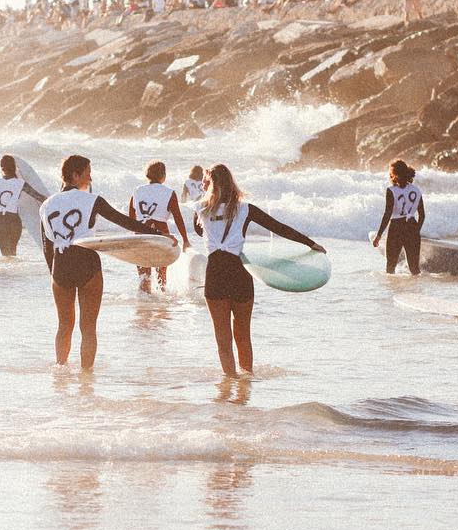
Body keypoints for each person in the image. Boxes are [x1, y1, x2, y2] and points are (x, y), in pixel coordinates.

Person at [195, 164, 324, 376]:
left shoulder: (200, 210)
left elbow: (199, 232)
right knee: (243, 336)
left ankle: (231, 382)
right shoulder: (245, 209)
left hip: (215, 276)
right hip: (240, 275)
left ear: (210, 184)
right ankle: (246, 384)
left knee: (223, 339)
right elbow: (278, 227)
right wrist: (310, 244)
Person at [39, 154, 154, 368]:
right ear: (75, 175)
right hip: (86, 263)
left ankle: (60, 371)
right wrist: (157, 235)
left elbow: (47, 245)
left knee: (64, 325)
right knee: (88, 327)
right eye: (87, 174)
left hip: (61, 265)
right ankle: (86, 377)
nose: (90, 179)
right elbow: (124, 221)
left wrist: (53, 273)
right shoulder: (92, 200)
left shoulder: (46, 205)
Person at [128, 161, 192, 292]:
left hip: (140, 235)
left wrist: (134, 234)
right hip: (161, 236)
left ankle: (145, 306)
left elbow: (130, 218)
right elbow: (178, 218)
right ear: (164, 175)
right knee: (161, 277)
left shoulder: (137, 191)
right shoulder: (169, 192)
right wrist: (185, 239)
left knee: (144, 277)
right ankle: (160, 305)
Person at [0, 154, 47, 258]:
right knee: (13, 252)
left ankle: (8, 273)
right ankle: (13, 272)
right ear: (14, 167)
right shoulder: (20, 183)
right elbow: (38, 197)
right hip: (13, 221)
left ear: (1, 167)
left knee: (5, 253)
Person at [371, 159, 425, 275]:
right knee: (414, 269)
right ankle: (415, 291)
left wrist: (379, 235)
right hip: (412, 227)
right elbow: (422, 214)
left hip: (396, 228)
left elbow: (387, 214)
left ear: (394, 174)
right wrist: (416, 230)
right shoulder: (416, 190)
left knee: (390, 268)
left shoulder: (391, 191)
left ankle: (392, 293)